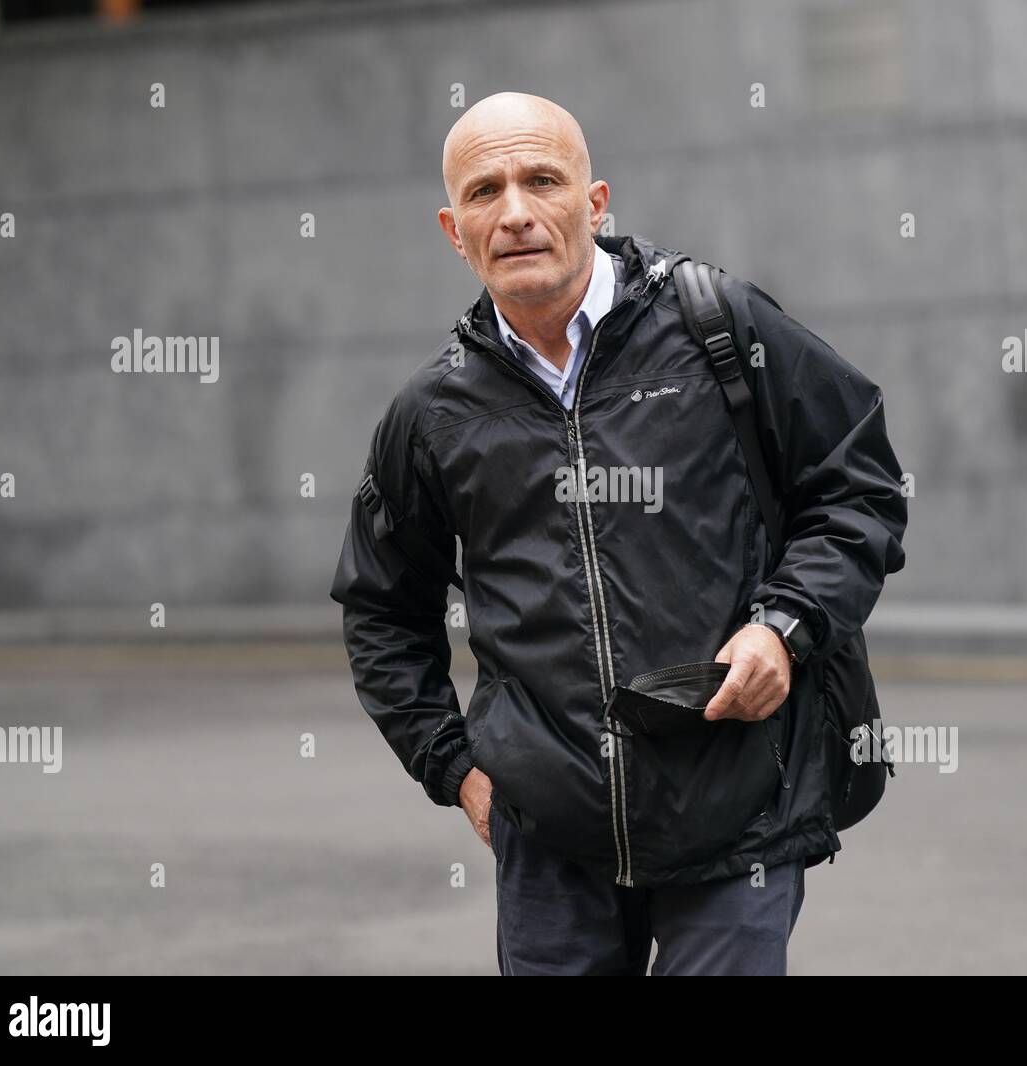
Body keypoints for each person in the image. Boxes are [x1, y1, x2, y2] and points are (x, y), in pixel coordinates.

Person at [329, 92, 908, 975]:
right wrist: (452, 766)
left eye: (542, 181)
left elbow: (857, 485)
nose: (516, 212)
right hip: (550, 840)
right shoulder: (433, 413)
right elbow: (381, 606)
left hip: (738, 807)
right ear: (455, 228)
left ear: (594, 204)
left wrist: (784, 627)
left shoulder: (720, 326)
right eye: (485, 192)